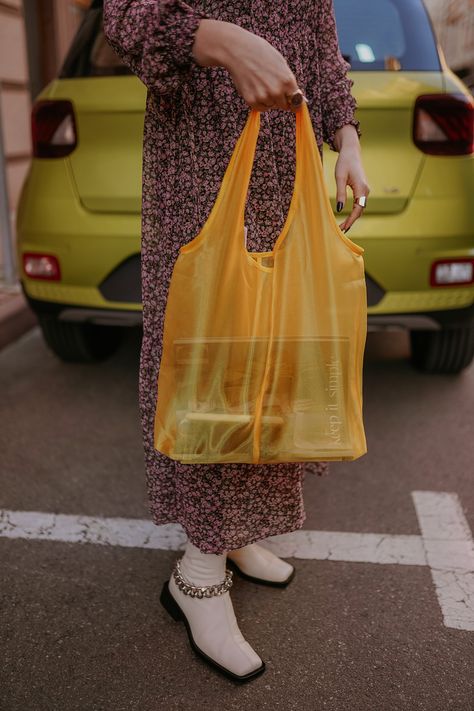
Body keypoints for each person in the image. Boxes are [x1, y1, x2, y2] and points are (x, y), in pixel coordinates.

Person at [103, 0, 370, 682]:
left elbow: (318, 31)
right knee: (214, 362)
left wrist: (347, 134)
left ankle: (233, 534)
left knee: (271, 359)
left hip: (283, 159)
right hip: (200, 148)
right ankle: (198, 573)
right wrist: (212, 38)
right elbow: (127, 14)